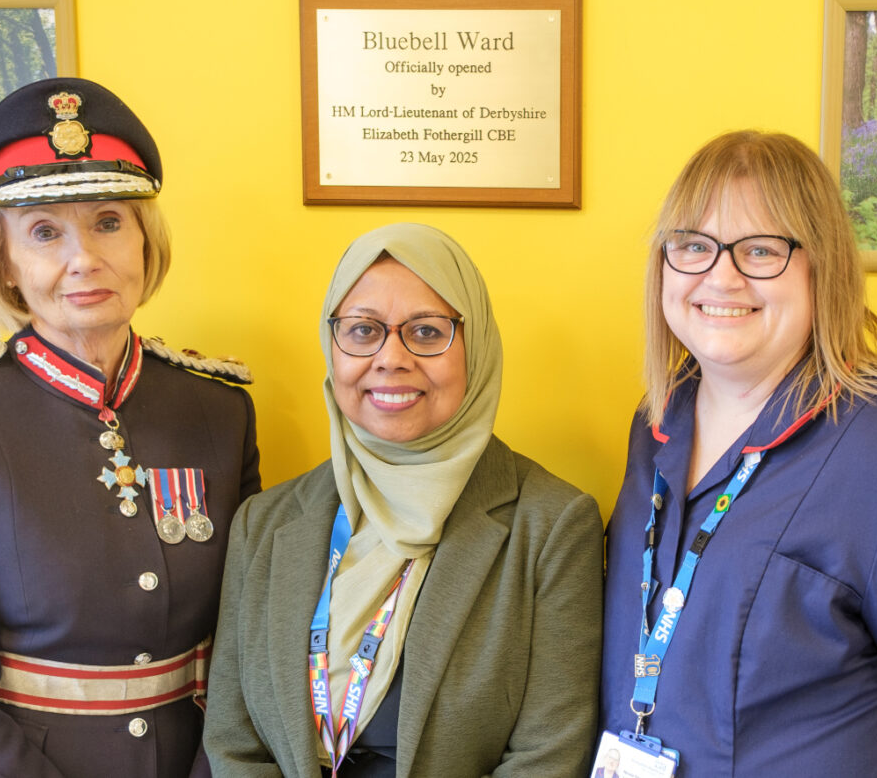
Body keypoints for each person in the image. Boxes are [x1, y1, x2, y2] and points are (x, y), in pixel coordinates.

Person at [599, 130, 877, 777]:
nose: (720, 276)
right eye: (694, 247)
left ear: (824, 265)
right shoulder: (658, 421)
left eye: (760, 250)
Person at [0, 78, 260, 777]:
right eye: (45, 232)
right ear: (8, 264)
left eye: (109, 221)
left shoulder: (218, 409)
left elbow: (246, 641)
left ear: (146, 241)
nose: (85, 259)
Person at [202, 223, 603, 778]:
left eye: (427, 332)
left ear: (476, 345)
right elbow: (233, 742)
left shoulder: (552, 525)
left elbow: (548, 755)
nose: (390, 358)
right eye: (363, 331)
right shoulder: (263, 524)